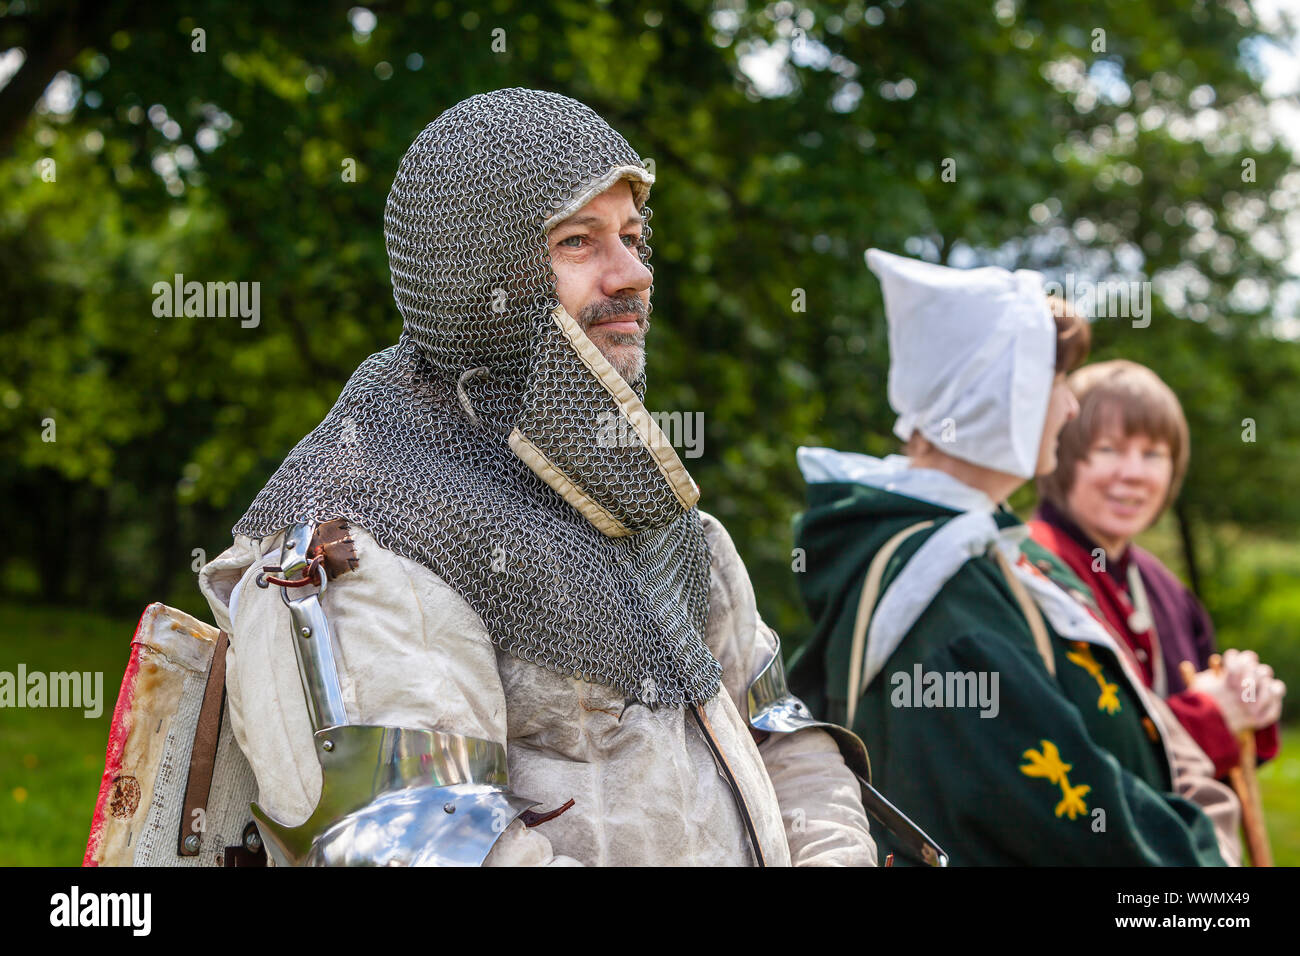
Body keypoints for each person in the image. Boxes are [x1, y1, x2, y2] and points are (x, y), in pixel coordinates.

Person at [196, 88, 877, 867]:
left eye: (632, 237)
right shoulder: (369, 533)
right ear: (478, 272)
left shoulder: (662, 520)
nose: (633, 274)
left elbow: (778, 736)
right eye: (580, 242)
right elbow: (415, 845)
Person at [789, 249, 1241, 866]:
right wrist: (1208, 859)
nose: (1070, 408)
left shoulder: (970, 549)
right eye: (1055, 384)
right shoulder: (944, 601)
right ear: (1000, 399)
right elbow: (1068, 825)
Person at [1030, 359, 1284, 780]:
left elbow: (1223, 763)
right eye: (1107, 449)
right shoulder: (1032, 569)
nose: (1132, 474)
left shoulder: (1165, 588)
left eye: (1153, 454)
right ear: (1062, 454)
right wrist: (1209, 717)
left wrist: (1246, 702)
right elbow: (1081, 755)